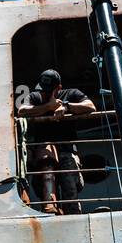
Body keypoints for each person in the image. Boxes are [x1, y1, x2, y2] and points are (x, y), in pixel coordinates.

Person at [18, 69, 97, 215]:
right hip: (43, 152)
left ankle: (73, 214)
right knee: (44, 171)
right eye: (43, 90)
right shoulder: (35, 97)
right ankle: (50, 210)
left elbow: (90, 106)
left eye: (49, 91)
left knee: (69, 185)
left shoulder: (71, 94)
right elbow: (22, 111)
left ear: (58, 88)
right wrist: (48, 107)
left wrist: (66, 106)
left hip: (67, 150)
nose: (44, 94)